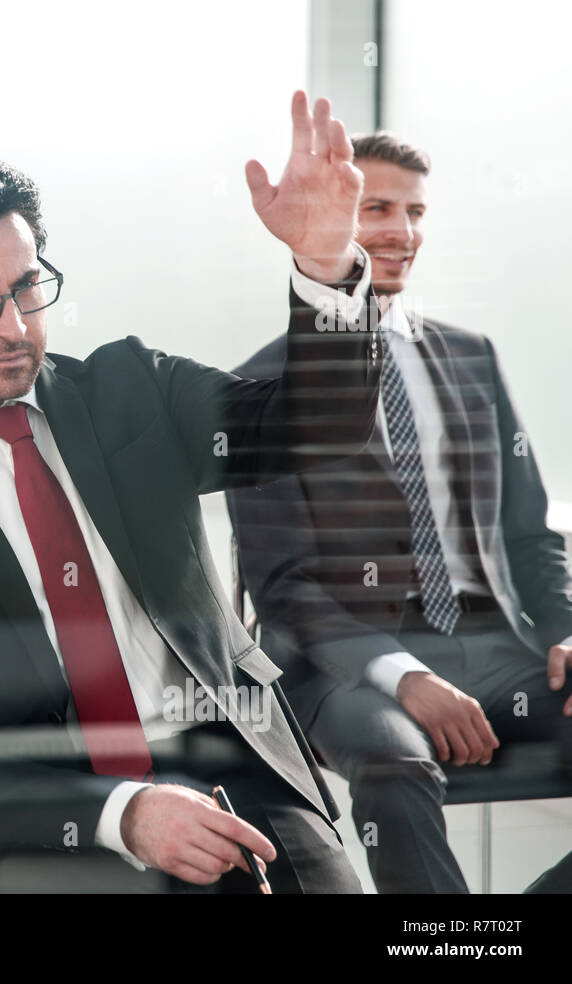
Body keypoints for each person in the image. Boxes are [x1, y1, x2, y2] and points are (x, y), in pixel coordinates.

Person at [0, 92, 379, 893]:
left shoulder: (131, 393)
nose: (14, 326)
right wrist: (126, 814)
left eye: (27, 286)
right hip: (43, 815)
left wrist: (326, 267)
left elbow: (318, 426)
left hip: (223, 766)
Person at [227, 132, 572, 893]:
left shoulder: (472, 356)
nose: (400, 232)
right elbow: (282, 586)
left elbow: (526, 532)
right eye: (376, 207)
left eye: (414, 212)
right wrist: (404, 674)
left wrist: (565, 631)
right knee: (393, 764)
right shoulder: (262, 386)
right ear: (332, 217)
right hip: (341, 670)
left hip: (491, 647)